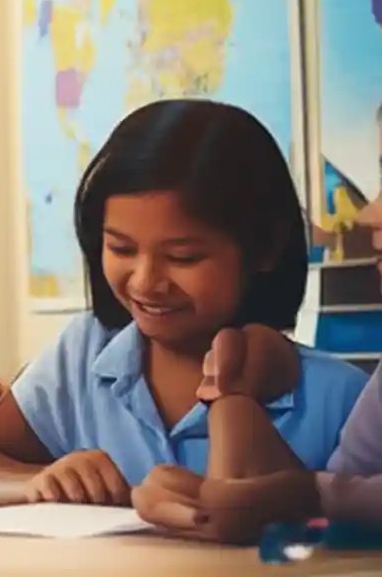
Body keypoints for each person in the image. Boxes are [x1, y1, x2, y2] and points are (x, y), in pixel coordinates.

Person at [0, 100, 368, 507]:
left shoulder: (343, 399)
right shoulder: (85, 353)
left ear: (266, 248)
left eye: (183, 257)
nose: (145, 281)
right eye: (121, 249)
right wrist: (36, 481)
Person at [133, 195, 382, 544]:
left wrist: (305, 495)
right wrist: (234, 399)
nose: (370, 214)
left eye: (183, 257)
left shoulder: (338, 389)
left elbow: (327, 499)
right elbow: (341, 510)